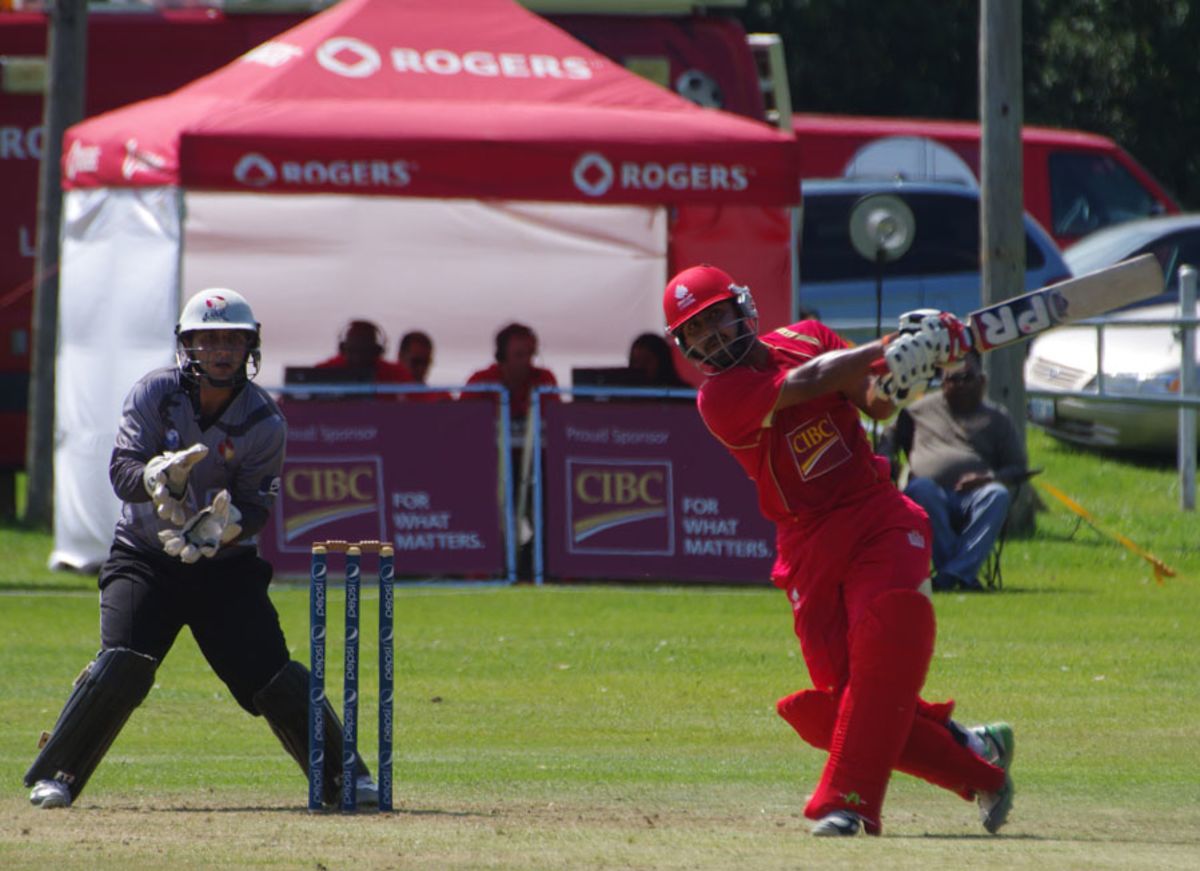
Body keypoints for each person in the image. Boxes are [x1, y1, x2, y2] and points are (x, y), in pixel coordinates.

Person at [662, 264, 1014, 837]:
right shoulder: (719, 398)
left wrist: (911, 369)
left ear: (741, 307)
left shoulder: (808, 334)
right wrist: (890, 345)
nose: (712, 337)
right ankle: (977, 756)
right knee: (844, 702)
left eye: (716, 318)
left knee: (885, 639)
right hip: (807, 543)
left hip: (876, 514)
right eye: (696, 332)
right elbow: (809, 383)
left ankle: (846, 803)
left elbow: (875, 405)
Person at [24, 288, 377, 810]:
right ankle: (59, 774)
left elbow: (258, 503)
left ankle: (344, 778)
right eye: (207, 339)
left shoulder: (265, 421)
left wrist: (221, 529)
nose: (220, 351)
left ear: (249, 348)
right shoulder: (153, 394)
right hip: (145, 556)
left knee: (269, 675)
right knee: (123, 662)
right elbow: (122, 473)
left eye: (232, 340)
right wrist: (156, 475)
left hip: (223, 571)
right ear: (186, 346)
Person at [880, 348, 1028, 592]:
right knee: (921, 489)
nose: (960, 385)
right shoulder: (917, 411)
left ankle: (950, 575)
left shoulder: (997, 418)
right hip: (929, 494)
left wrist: (987, 478)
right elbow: (889, 436)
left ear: (982, 380)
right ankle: (960, 574)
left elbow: (1018, 468)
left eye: (967, 378)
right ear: (942, 380)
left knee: (997, 495)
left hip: (974, 497)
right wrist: (887, 458)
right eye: (952, 379)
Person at [465, 322, 559, 422]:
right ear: (502, 356)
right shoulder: (480, 382)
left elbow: (557, 422)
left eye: (531, 353)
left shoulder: (544, 380)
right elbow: (463, 422)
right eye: (519, 355)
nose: (527, 360)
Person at [316, 319, 413, 384]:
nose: (358, 358)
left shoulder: (397, 376)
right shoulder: (322, 373)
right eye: (353, 351)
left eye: (365, 351)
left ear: (378, 352)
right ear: (343, 349)